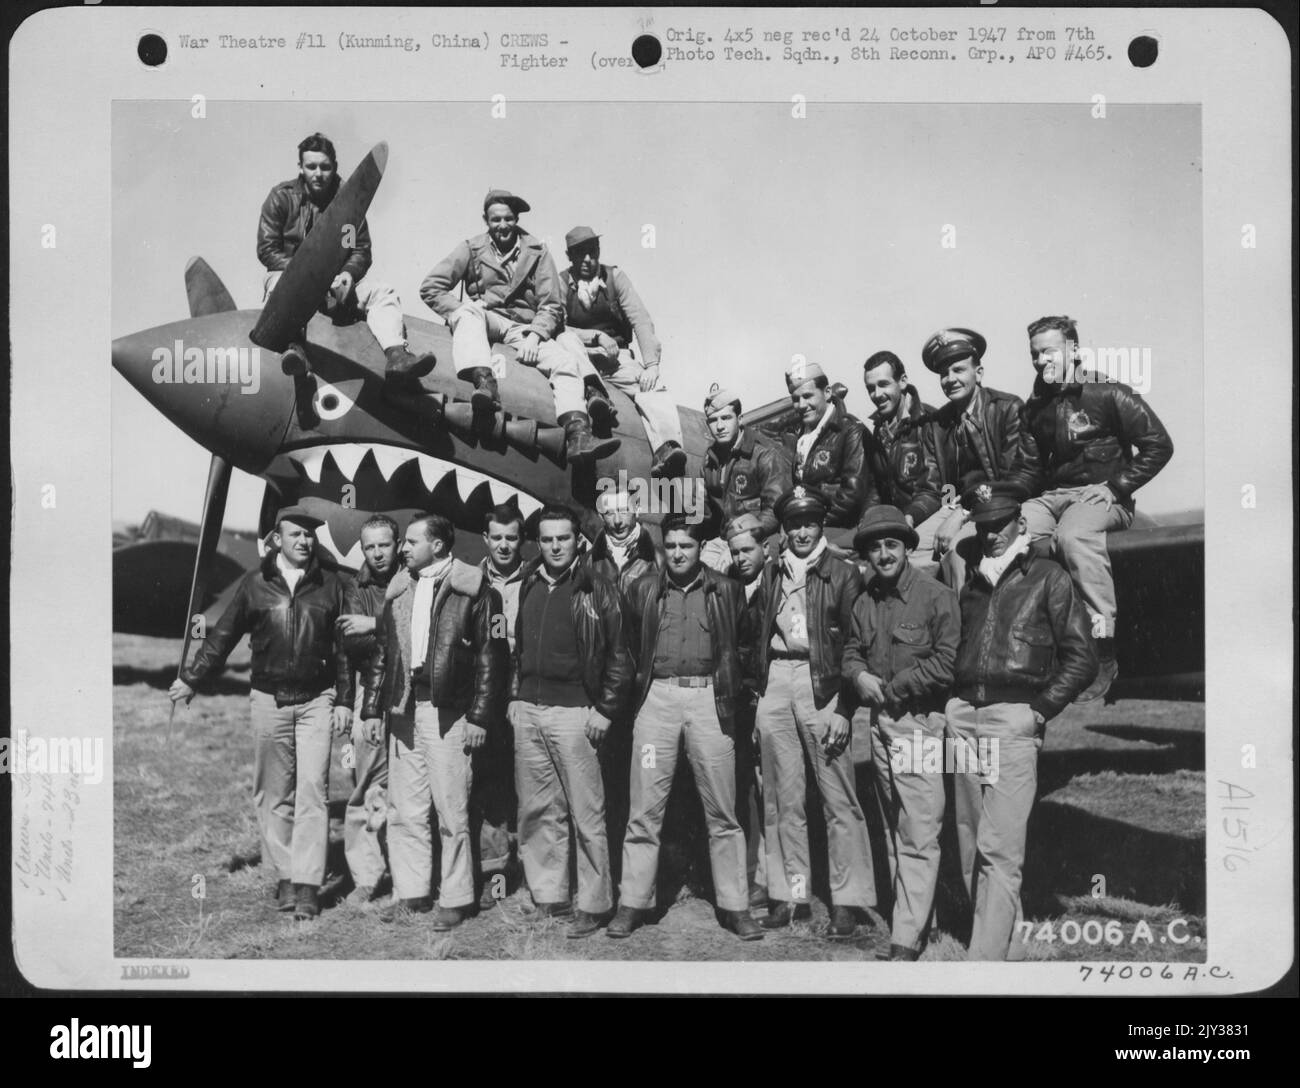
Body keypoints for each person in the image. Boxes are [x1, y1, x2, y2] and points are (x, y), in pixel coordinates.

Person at [169, 506, 352, 921]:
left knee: (313, 791)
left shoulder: (331, 585)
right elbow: (223, 636)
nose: (304, 541)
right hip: (267, 699)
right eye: (295, 534)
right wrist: (192, 678)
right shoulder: (255, 584)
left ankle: (307, 885)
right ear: (277, 539)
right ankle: (286, 873)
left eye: (309, 534)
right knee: (273, 793)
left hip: (315, 700)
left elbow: (343, 650)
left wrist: (344, 699)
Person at [947, 482, 1098, 960]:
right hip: (963, 716)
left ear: (1021, 523)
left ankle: (983, 963)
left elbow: (1082, 657)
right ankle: (1006, 943)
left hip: (1013, 719)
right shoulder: (971, 583)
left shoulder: (1049, 577)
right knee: (970, 839)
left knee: (1000, 846)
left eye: (1000, 523)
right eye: (984, 525)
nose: (991, 533)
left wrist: (1038, 711)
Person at [609, 513, 763, 941]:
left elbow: (747, 647)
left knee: (723, 810)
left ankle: (735, 906)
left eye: (687, 546)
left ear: (700, 549)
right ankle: (633, 903)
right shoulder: (642, 589)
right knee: (644, 808)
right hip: (656, 704)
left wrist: (738, 692)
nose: (678, 553)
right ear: (664, 547)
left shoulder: (727, 590)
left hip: (709, 702)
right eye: (672, 545)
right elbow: (625, 649)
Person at [1011, 315, 1174, 702]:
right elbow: (1029, 471)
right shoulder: (1036, 408)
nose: (1040, 361)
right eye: (1034, 354)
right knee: (1013, 538)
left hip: (1101, 498)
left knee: (1073, 535)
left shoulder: (1109, 393)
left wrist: (1118, 486)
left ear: (1073, 350)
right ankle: (1043, 643)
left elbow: (1159, 445)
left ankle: (1102, 650)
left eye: (1048, 351)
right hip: (1052, 497)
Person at [360, 514, 506, 930]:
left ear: (439, 545)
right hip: (406, 711)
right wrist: (373, 707)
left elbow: (490, 659)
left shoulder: (477, 591)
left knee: (451, 811)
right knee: (405, 809)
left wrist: (479, 716)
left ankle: (457, 898)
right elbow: (383, 655)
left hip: (450, 713)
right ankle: (412, 892)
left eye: (411, 541)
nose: (402, 548)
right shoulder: (400, 588)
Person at [750, 487, 876, 938]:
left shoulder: (843, 573)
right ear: (783, 529)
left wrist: (844, 705)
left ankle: (848, 900)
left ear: (822, 524)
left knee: (838, 797)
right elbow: (759, 633)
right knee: (782, 798)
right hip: (777, 680)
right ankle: (792, 896)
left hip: (822, 683)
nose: (801, 532)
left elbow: (858, 645)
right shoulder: (772, 571)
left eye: (809, 523)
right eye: (793, 524)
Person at [419, 189, 618, 465]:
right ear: (485, 220)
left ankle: (578, 433)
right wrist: (463, 312)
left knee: (565, 362)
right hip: (486, 320)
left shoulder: (538, 252)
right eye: (495, 220)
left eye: (508, 219)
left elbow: (551, 305)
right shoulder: (470, 248)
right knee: (468, 312)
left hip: (523, 328)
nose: (502, 226)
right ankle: (484, 383)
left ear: (517, 219)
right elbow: (431, 287)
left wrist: (535, 337)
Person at [842, 505, 960, 960]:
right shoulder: (866, 600)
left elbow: (945, 663)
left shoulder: (934, 595)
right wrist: (858, 677)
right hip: (879, 724)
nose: (884, 553)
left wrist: (890, 687)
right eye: (875, 546)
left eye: (892, 544)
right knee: (894, 828)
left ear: (907, 548)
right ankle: (914, 923)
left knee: (919, 830)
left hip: (919, 724)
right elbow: (851, 651)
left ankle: (906, 939)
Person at [509, 505, 632, 937]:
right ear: (538, 542)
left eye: (563, 538)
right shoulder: (527, 582)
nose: (555, 546)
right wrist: (514, 696)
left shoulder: (597, 583)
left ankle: (595, 903)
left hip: (576, 713)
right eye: (546, 539)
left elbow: (621, 654)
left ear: (578, 540)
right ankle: (550, 895)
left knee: (587, 813)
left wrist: (605, 709)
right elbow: (515, 645)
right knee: (539, 810)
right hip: (530, 710)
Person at [257, 133, 435, 390]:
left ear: (335, 168)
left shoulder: (347, 206)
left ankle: (397, 356)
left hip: (334, 287)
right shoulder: (281, 198)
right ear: (301, 168)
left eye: (325, 167)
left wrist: (349, 274)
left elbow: (358, 248)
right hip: (291, 282)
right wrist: (306, 275)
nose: (318, 173)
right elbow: (268, 249)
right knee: (276, 285)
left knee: (382, 292)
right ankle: (293, 349)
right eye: (311, 166)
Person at [560, 226, 687, 478]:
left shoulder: (615, 277)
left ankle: (667, 447)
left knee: (652, 387)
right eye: (580, 253)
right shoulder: (561, 282)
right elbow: (556, 323)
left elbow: (640, 320)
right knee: (564, 339)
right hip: (581, 355)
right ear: (569, 256)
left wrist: (651, 364)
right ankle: (593, 390)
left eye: (592, 252)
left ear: (599, 251)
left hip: (616, 358)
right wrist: (594, 336)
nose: (587, 259)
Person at [905, 328, 1026, 586]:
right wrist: (909, 517)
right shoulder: (937, 424)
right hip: (953, 507)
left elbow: (1012, 479)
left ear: (978, 373)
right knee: (905, 551)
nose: (950, 379)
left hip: (996, 506)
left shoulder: (1006, 409)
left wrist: (962, 514)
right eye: (944, 373)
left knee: (957, 552)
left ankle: (964, 624)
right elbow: (933, 489)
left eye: (958, 370)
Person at [335, 514, 402, 906]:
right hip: (368, 687)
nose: (378, 553)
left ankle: (410, 872)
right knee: (365, 781)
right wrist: (346, 701)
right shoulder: (354, 588)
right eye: (370, 547)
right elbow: (347, 647)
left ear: (397, 545)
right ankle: (366, 874)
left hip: (408, 688)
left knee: (407, 783)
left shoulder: (412, 579)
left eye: (385, 545)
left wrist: (373, 624)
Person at [474, 505, 529, 909]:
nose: (504, 545)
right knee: (491, 786)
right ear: (486, 540)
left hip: (527, 692)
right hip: (488, 693)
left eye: (511, 538)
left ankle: (535, 871)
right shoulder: (471, 582)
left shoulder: (536, 579)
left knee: (531, 786)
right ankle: (495, 877)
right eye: (497, 538)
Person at [724, 513, 772, 909]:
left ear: (765, 549)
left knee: (770, 789)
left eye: (748, 550)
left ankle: (771, 876)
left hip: (769, 696)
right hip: (738, 700)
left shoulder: (775, 586)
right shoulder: (728, 587)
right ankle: (749, 872)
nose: (741, 558)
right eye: (735, 551)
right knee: (743, 788)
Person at [700, 382, 790, 571]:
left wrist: (741, 539)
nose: (719, 426)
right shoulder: (710, 460)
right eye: (713, 420)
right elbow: (704, 512)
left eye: (726, 418)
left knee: (730, 577)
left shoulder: (764, 454)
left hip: (760, 537)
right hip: (724, 539)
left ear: (739, 419)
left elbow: (776, 510)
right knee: (701, 575)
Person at [782, 360, 876, 531]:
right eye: (796, 399)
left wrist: (814, 525)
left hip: (844, 525)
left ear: (827, 393)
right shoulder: (799, 435)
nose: (802, 405)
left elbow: (852, 496)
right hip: (810, 525)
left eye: (808, 396)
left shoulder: (850, 430)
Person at [861, 350, 935, 520]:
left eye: (883, 384)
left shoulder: (928, 422)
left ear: (902, 381)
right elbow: (877, 488)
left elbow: (937, 489)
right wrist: (866, 518)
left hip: (925, 517)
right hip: (896, 521)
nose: (877, 394)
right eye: (870, 388)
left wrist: (910, 518)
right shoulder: (879, 429)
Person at [586, 486, 664, 593]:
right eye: (609, 513)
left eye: (623, 511)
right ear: (601, 516)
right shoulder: (590, 561)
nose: (617, 521)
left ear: (637, 509)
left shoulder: (658, 559)